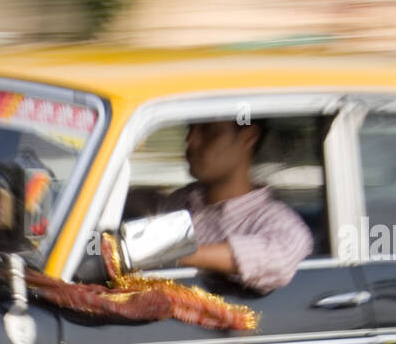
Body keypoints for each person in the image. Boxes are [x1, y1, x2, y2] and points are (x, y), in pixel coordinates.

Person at [133, 120, 313, 294]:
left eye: (208, 130)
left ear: (248, 138)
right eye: (191, 128)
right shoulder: (181, 201)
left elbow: (278, 259)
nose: (190, 140)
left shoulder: (277, 221)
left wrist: (171, 253)